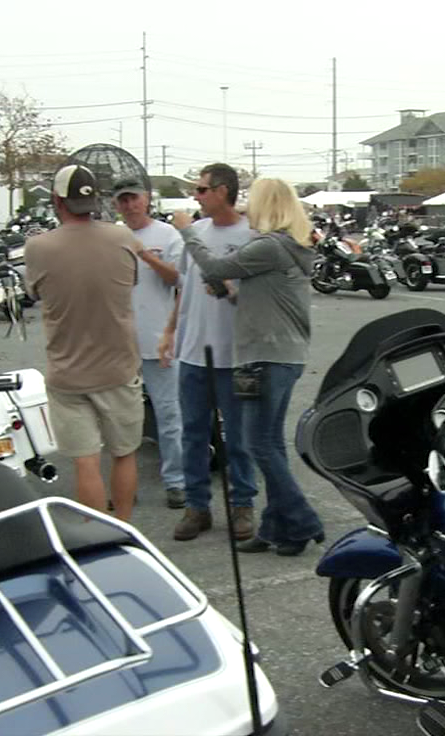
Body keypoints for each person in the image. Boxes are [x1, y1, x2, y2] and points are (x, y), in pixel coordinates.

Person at [169, 178, 324, 556]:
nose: (246, 207)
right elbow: (266, 301)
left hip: (266, 357)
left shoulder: (270, 246)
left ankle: (302, 520)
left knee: (259, 446)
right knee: (270, 444)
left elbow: (213, 264)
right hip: (282, 355)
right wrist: (231, 293)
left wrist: (186, 230)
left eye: (253, 201)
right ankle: (278, 529)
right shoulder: (288, 245)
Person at [24, 164, 143, 521]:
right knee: (124, 453)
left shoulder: (38, 247)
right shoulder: (123, 239)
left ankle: (98, 536)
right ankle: (126, 529)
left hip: (68, 373)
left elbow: (35, 293)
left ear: (58, 201)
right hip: (119, 367)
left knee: (86, 462)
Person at [158, 163, 259, 543]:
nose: (195, 197)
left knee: (239, 435)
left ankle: (243, 505)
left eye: (201, 190)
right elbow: (183, 288)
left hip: (235, 355)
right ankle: (197, 507)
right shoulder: (195, 233)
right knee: (193, 433)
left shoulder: (252, 234)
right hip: (193, 353)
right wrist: (170, 331)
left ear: (222, 191)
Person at [113, 177, 186, 509]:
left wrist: (144, 254)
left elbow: (177, 279)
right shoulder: (111, 236)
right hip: (119, 343)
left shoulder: (167, 235)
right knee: (119, 420)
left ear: (147, 200)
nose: (129, 205)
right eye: (123, 200)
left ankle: (176, 481)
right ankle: (124, 486)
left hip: (160, 341)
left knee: (169, 416)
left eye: (134, 199)